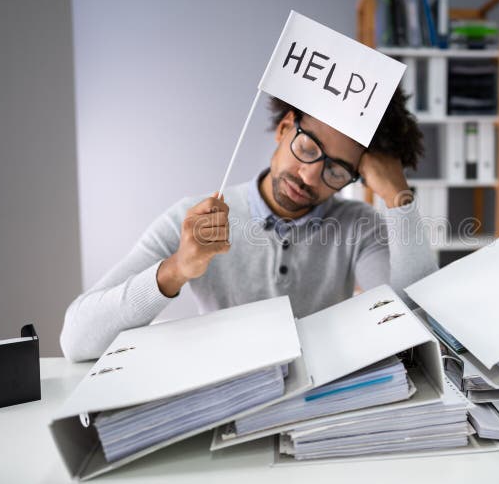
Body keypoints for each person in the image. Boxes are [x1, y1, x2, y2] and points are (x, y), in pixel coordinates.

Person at [60, 89, 437, 361]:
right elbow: (77, 340)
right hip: (224, 397)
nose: (308, 176)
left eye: (336, 171)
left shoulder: (359, 226)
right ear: (284, 128)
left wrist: (398, 197)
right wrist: (175, 270)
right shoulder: (193, 218)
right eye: (307, 148)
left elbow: (418, 331)